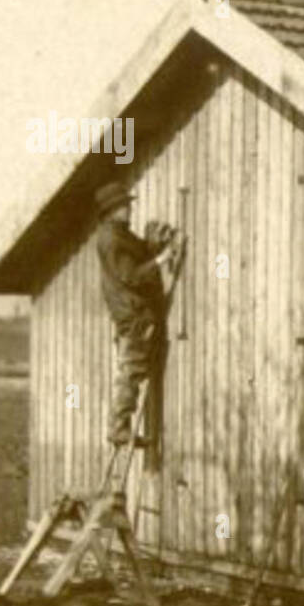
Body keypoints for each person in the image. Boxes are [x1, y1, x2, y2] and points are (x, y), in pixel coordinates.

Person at [93, 181, 182, 448]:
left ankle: (122, 426)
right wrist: (160, 259)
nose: (129, 208)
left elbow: (138, 253)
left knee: (132, 368)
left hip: (134, 313)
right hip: (134, 315)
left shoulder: (120, 234)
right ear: (112, 210)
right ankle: (118, 428)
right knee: (131, 370)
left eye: (128, 204)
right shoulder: (112, 239)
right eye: (124, 205)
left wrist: (153, 244)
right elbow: (131, 275)